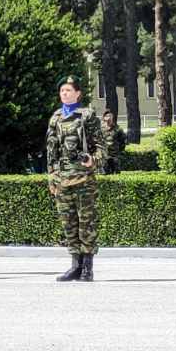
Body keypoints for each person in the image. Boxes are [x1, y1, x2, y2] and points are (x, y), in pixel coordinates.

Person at [46, 75, 106, 281]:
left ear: (78, 94)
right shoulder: (55, 118)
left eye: (69, 91)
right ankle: (75, 265)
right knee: (68, 223)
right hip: (62, 179)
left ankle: (88, 266)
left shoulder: (87, 116)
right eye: (62, 91)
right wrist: (52, 177)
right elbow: (51, 152)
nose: (65, 94)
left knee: (86, 223)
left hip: (83, 179)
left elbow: (100, 146)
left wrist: (93, 160)